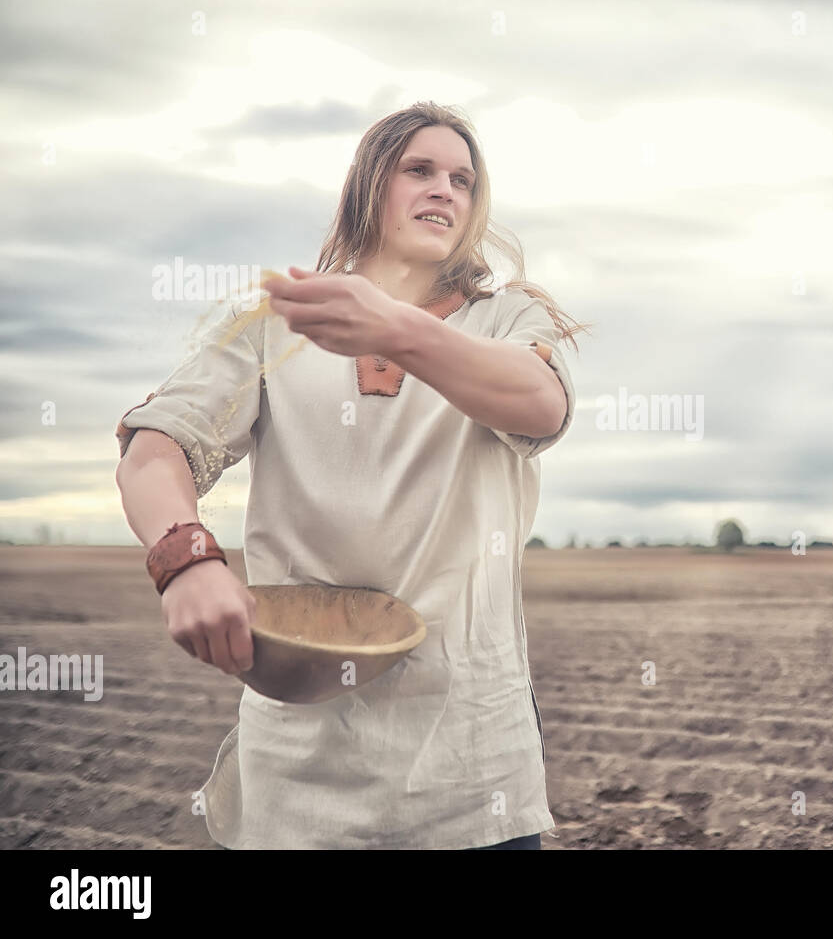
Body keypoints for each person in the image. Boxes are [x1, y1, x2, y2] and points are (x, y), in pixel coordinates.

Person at [114, 101, 590, 849]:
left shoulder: (507, 320)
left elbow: (540, 405)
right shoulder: (274, 321)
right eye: (421, 171)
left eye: (464, 181)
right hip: (299, 780)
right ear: (369, 186)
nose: (445, 191)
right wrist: (184, 560)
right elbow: (156, 446)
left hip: (471, 773)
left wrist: (397, 327)